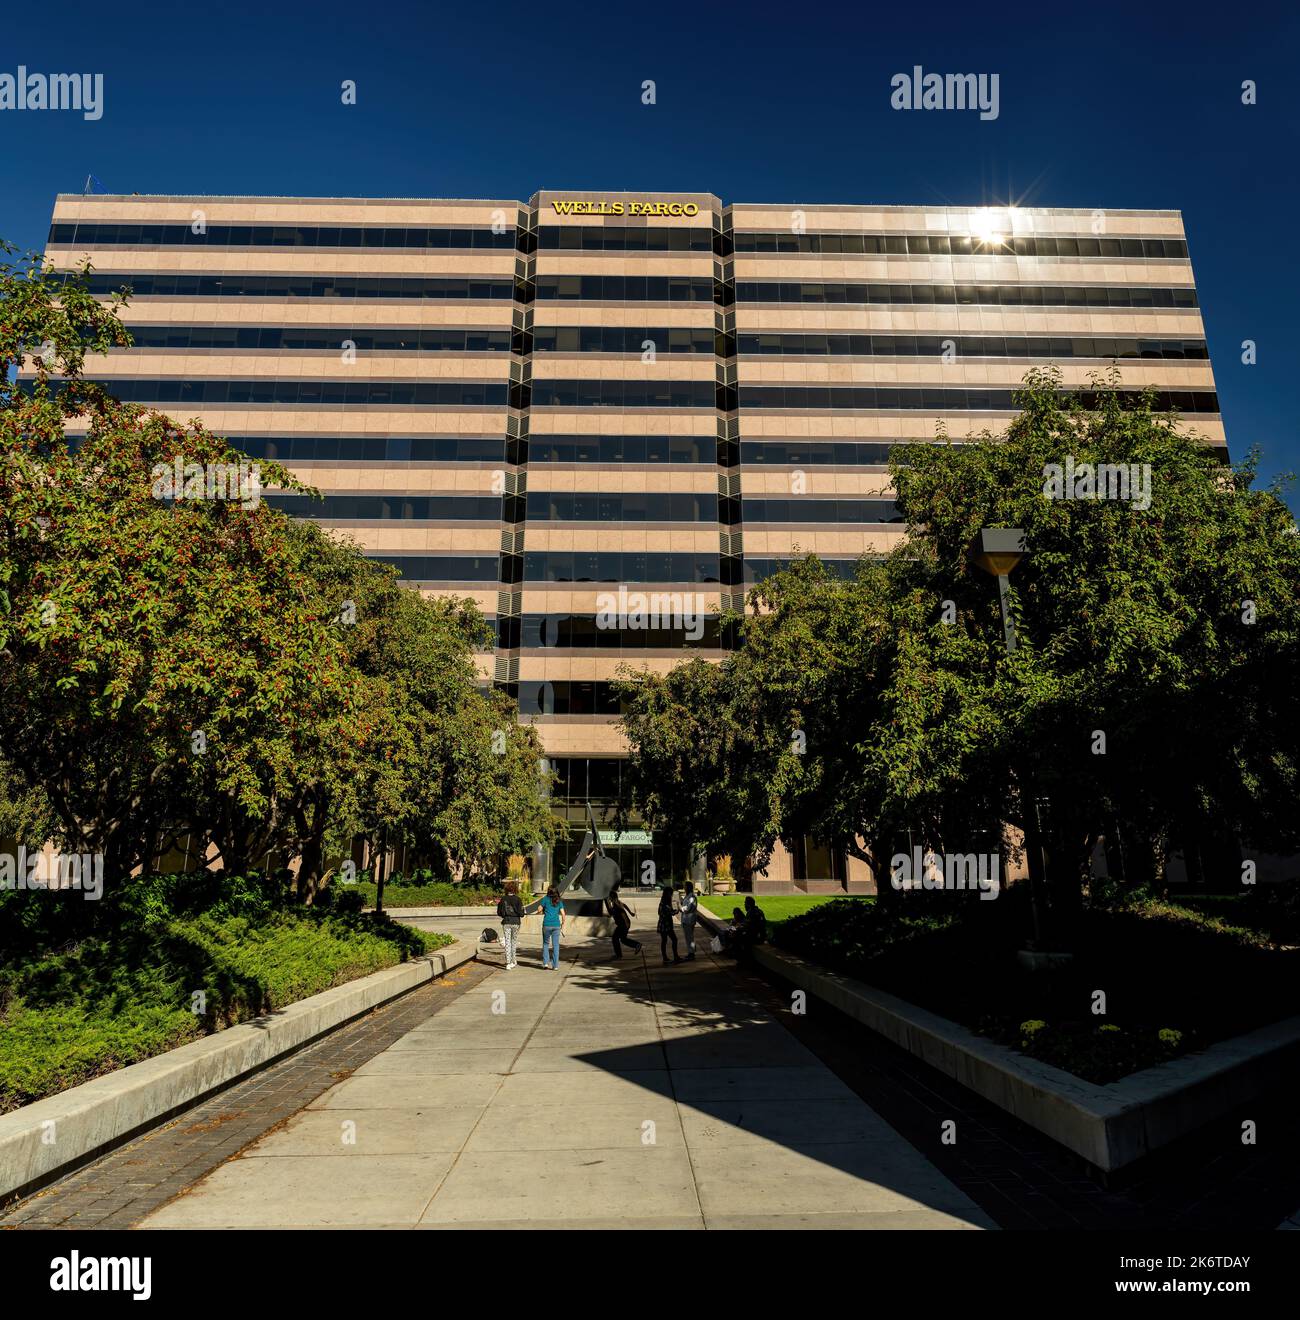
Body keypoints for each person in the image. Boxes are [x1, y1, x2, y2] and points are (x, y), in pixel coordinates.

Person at [605, 885, 641, 960]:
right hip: (624, 924)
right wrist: (630, 913)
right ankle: (636, 945)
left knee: (615, 938)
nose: (609, 898)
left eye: (609, 897)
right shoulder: (618, 903)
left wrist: (626, 923)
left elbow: (622, 913)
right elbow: (624, 906)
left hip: (623, 925)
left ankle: (619, 955)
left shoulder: (616, 905)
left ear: (612, 898)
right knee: (623, 939)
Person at [496, 879, 524, 969]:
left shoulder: (503, 899)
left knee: (507, 942)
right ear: (515, 889)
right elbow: (521, 914)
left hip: (506, 922)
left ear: (507, 889)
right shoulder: (518, 899)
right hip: (516, 922)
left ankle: (508, 963)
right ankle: (514, 960)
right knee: (513, 941)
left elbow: (499, 912)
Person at [539, 884, 566, 969]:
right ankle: (555, 966)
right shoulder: (559, 901)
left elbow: (539, 909)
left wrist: (540, 910)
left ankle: (546, 963)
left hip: (547, 924)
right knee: (556, 945)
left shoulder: (545, 899)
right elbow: (563, 914)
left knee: (546, 944)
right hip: (556, 925)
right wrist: (563, 924)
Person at [657, 884, 681, 964]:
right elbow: (669, 912)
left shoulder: (664, 901)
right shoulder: (665, 902)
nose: (672, 895)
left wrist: (673, 911)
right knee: (673, 939)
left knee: (665, 940)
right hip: (665, 924)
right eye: (671, 893)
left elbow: (665, 912)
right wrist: (676, 911)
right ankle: (673, 956)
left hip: (664, 924)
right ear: (668, 893)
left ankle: (667, 957)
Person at [679, 880, 699, 960]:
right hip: (686, 920)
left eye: (685, 886)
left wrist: (680, 908)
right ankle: (691, 952)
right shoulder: (688, 896)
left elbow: (688, 908)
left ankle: (692, 953)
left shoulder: (692, 897)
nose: (684, 888)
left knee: (690, 937)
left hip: (689, 920)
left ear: (688, 888)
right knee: (688, 937)